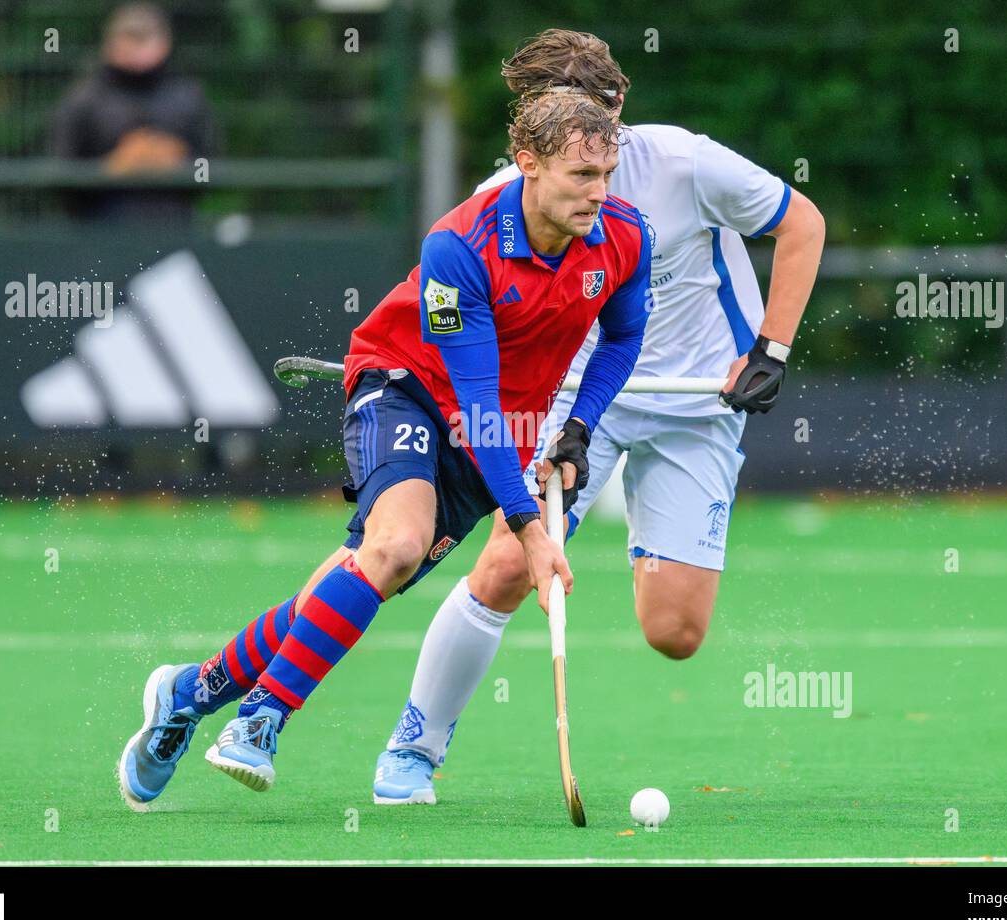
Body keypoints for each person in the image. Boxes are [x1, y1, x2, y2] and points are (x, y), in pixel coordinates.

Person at [118, 90, 652, 807]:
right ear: (526, 163)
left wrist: (578, 429)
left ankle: (189, 692)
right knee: (397, 544)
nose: (599, 193)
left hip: (500, 431)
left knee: (356, 576)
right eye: (581, 177)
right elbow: (476, 400)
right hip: (406, 390)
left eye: (607, 174)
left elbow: (622, 339)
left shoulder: (622, 236)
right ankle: (258, 720)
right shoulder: (459, 248)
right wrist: (528, 527)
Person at [369, 29, 825, 805]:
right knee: (510, 564)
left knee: (674, 633)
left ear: (621, 105)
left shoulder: (685, 163)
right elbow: (464, 318)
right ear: (534, 128)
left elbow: (801, 223)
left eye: (604, 115)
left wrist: (770, 350)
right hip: (584, 400)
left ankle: (640, 528)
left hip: (696, 402)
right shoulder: (504, 198)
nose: (596, 143)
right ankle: (415, 746)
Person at [49, 2, 217, 223]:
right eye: (128, 37)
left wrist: (177, 163)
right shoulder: (83, 99)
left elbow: (211, 169)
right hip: (100, 235)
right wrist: (113, 168)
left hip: (173, 235)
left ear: (164, 42)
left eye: (143, 38)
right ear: (109, 43)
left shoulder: (188, 97)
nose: (135, 47)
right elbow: (61, 176)